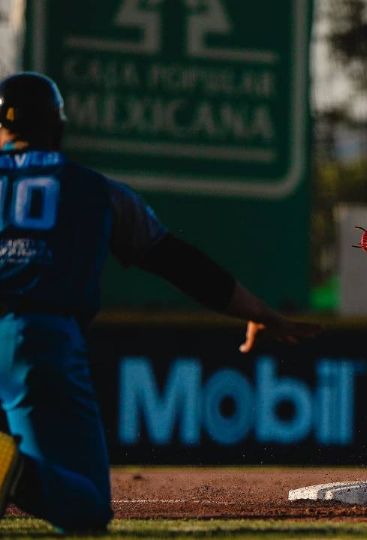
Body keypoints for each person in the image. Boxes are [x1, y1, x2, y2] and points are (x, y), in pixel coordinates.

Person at [0, 72, 318, 532]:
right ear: (57, 125)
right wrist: (259, 311)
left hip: (30, 336)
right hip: (35, 339)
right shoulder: (96, 190)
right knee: (85, 509)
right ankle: (8, 469)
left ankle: (9, 469)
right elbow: (178, 263)